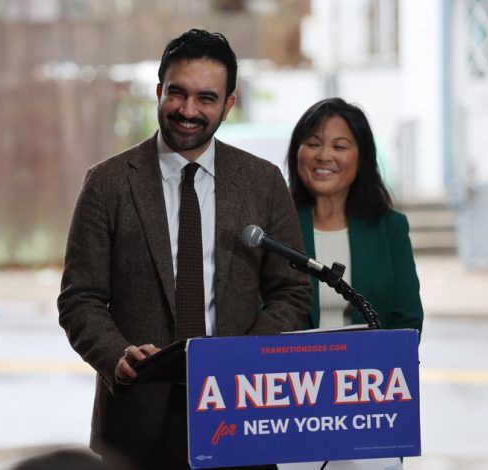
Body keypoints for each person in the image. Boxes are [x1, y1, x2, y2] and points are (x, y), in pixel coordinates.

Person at [58, 29, 312, 469]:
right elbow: (80, 298)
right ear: (158, 91)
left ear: (229, 104)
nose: (188, 111)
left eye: (206, 98)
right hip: (136, 420)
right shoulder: (108, 183)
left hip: (240, 412)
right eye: (177, 93)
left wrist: (245, 359)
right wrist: (117, 355)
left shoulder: (263, 182)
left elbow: (291, 292)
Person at [286, 97, 424, 333]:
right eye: (312, 144)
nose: (324, 156)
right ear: (296, 152)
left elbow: (408, 321)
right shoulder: (274, 225)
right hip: (291, 369)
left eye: (339, 147)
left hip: (368, 368)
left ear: (362, 158)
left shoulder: (390, 227)